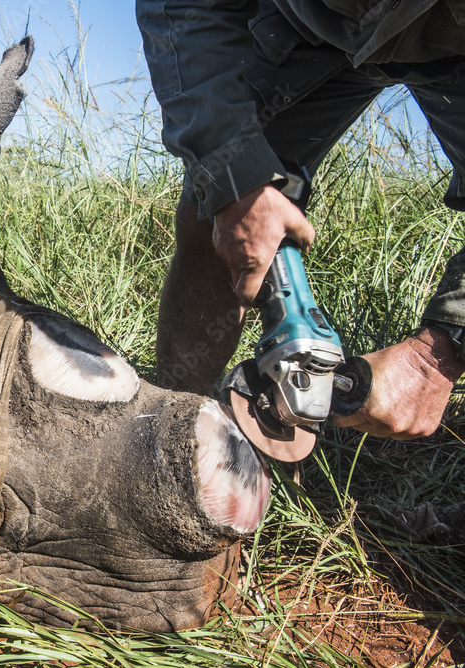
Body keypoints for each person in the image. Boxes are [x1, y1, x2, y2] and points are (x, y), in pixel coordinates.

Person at [136, 0, 465, 440]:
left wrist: (438, 353)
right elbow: (184, 9)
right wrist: (234, 180)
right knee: (215, 212)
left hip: (454, 40)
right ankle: (168, 422)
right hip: (314, 23)